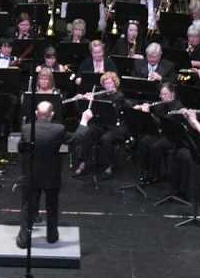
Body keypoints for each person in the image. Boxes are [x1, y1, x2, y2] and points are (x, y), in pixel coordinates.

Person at [16, 101, 88, 249]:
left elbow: (21, 147)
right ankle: (52, 236)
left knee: (28, 207)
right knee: (52, 206)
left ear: (36, 114)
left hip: (32, 175)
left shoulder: (26, 129)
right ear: (52, 115)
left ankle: (24, 240)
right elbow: (76, 140)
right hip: (51, 175)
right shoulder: (59, 129)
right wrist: (84, 121)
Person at [71, 71, 129, 179]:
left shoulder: (119, 96)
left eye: (110, 83)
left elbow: (111, 109)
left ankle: (108, 165)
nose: (108, 86)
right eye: (106, 83)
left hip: (114, 126)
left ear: (115, 83)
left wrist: (94, 101)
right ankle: (82, 163)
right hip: (101, 123)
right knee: (88, 133)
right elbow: (93, 110)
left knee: (106, 139)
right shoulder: (101, 93)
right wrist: (84, 99)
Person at [134, 81, 183, 185]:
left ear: (173, 93)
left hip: (173, 136)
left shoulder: (177, 106)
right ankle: (143, 171)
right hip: (161, 133)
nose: (162, 97)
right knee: (143, 142)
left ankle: (154, 175)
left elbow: (162, 122)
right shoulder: (161, 104)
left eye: (165, 94)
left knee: (155, 146)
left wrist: (147, 114)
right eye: (161, 94)